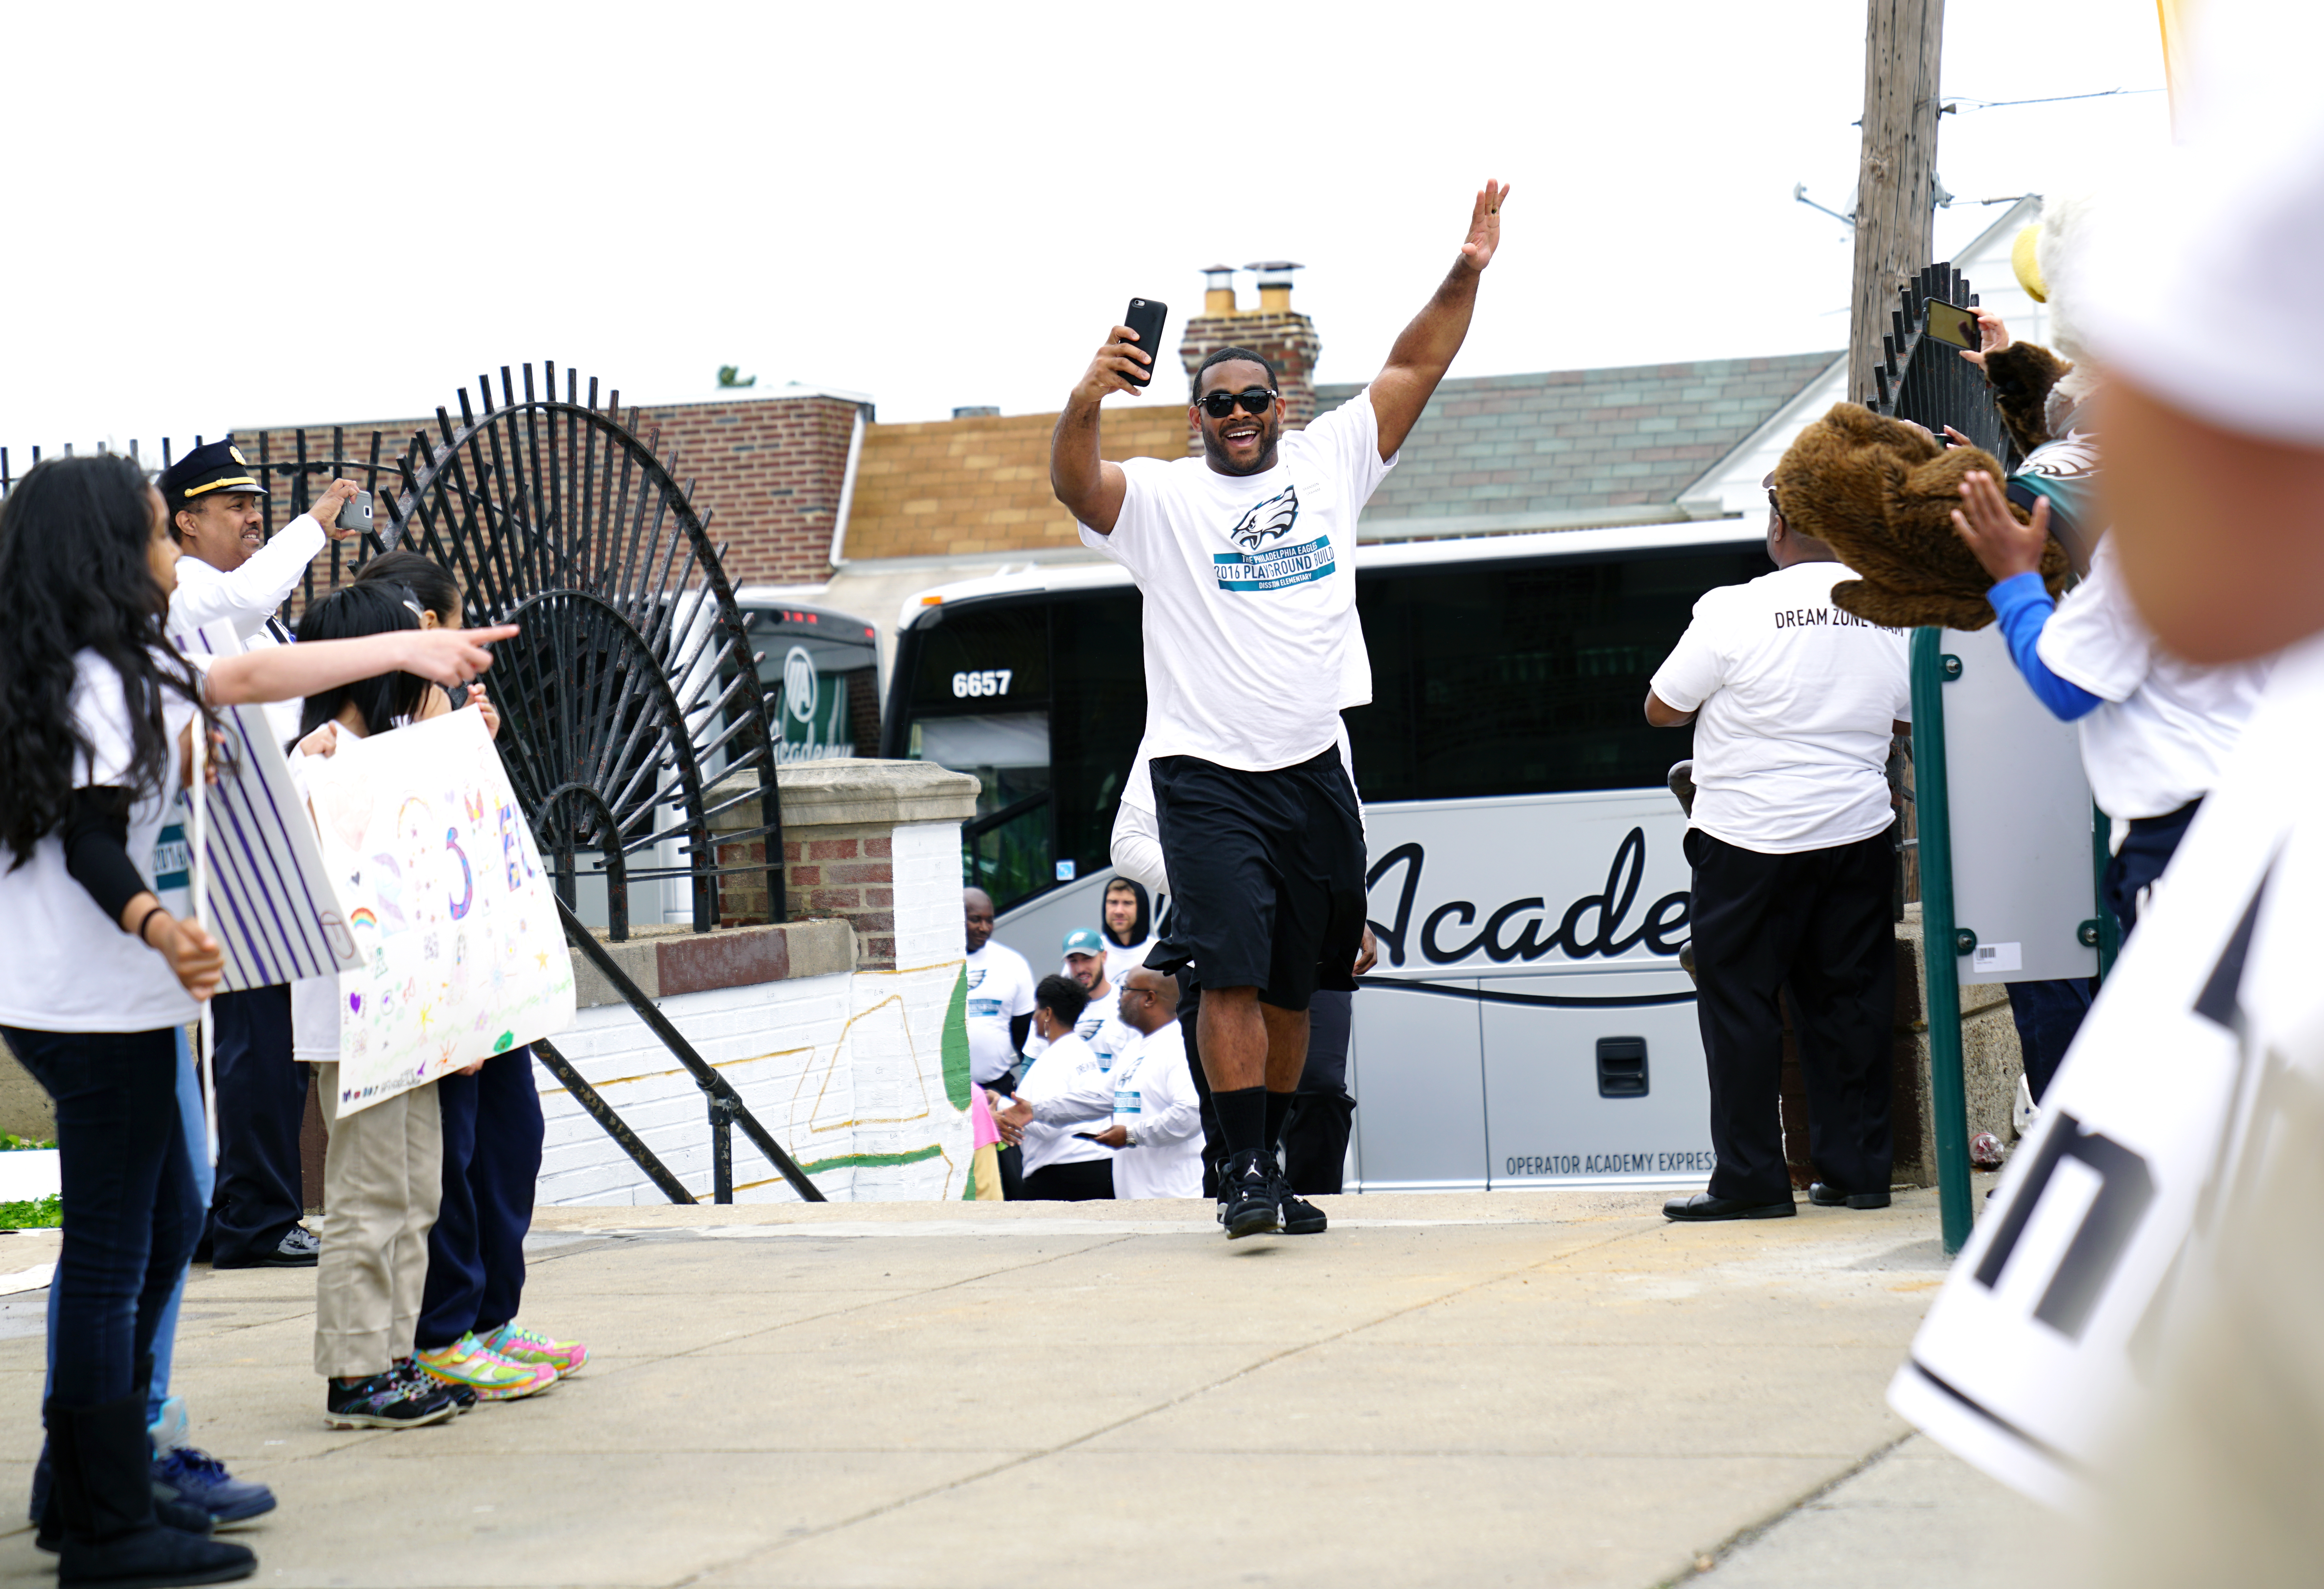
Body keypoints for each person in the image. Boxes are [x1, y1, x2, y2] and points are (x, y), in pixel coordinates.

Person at [0, 455, 507, 1586]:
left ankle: (86, 1487)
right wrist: (154, 924)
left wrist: (409, 650)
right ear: (103, 553)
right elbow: (89, 839)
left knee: (162, 1220)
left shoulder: (120, 663)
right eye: (156, 534)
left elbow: (253, 673)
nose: (173, 555)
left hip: (102, 1000)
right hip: (97, 1007)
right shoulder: (94, 679)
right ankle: (104, 1522)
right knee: (120, 1250)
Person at [1054, 179, 1509, 1239]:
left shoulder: (1331, 462)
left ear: (1279, 408)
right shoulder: (1163, 498)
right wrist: (1084, 400)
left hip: (1313, 771)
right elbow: (1077, 486)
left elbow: (1415, 365)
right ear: (1197, 419)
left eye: (1254, 400)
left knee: (1301, 990)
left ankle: (1274, 1159)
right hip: (1206, 778)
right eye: (1219, 405)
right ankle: (1245, 1169)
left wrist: (1465, 272)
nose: (1239, 417)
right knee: (1231, 978)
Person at [1645, 451, 1912, 1221]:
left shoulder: (1732, 608)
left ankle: (1752, 1180)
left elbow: (1663, 707)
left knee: (1740, 1007)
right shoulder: (1884, 608)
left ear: (1779, 524)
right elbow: (1906, 716)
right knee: (1850, 1002)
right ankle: (1858, 1174)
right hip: (1856, 831)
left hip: (1747, 838)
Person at [350, 552, 589, 1402]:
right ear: (423, 628)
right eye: (455, 629)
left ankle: (492, 1319)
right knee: (448, 1166)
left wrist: (472, 743)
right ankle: (445, 1331)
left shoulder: (449, 721)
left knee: (508, 1145)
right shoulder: (369, 731)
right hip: (437, 990)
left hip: (489, 979)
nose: (463, 653)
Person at [161, 445, 372, 1278]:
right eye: (234, 505)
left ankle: (233, 1214)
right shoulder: (188, 592)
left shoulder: (238, 605)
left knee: (262, 1042)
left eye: (258, 502)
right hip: (229, 846)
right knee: (252, 1042)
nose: (254, 516)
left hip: (267, 834)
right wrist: (315, 525)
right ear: (186, 521)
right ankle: (254, 1217)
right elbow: (248, 607)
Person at [1001, 967, 1200, 1200]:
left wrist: (1131, 1135)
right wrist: (1035, 1110)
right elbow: (1097, 1098)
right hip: (1136, 1201)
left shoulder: (1179, 1046)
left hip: (1175, 1198)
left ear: (1149, 999)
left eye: (1125, 989)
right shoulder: (1134, 1049)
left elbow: (1191, 1114)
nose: (1119, 997)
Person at [993, 974, 1114, 1201]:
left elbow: (1048, 1128)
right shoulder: (1085, 1053)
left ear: (1048, 1014)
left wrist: (1000, 1103)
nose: (1034, 1017)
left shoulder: (1052, 1061)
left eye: (1037, 1010)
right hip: (1102, 1168)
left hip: (1062, 1174)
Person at [1060, 927, 1132, 1056]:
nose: (1080, 969)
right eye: (1073, 961)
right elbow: (1033, 1057)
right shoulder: (1058, 1008)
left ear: (1104, 957)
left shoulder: (1128, 1004)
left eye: (1087, 958)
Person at [1097, 877, 1155, 989]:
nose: (1119, 911)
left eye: (1128, 903)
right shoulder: (1091, 953)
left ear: (1141, 908)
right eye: (1113, 903)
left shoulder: (1158, 953)